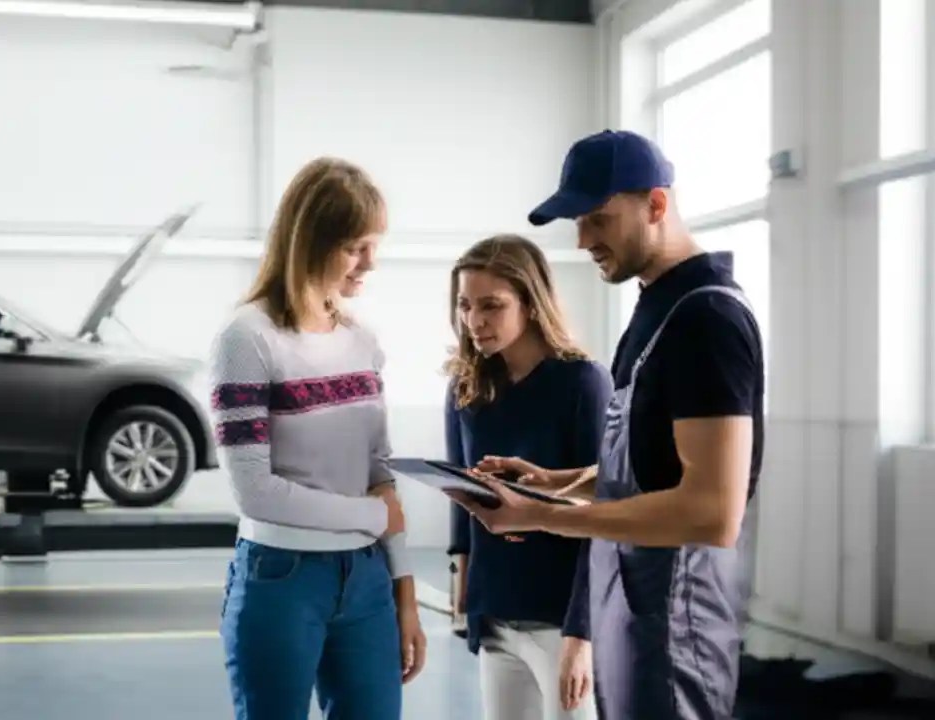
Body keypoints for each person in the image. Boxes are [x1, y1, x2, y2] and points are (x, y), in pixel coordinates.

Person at [450, 129, 765, 720]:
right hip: (633, 608)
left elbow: (713, 512)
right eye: (577, 221)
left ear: (656, 205)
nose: (584, 239)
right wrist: (553, 481)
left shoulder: (708, 319)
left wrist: (539, 515)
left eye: (599, 219)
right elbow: (647, 469)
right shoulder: (655, 311)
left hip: (678, 623)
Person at [209, 156, 426, 720]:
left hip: (368, 583)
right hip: (280, 580)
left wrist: (405, 593)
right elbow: (256, 491)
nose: (371, 263)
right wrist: (374, 519)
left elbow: (381, 474)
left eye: (374, 245)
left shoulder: (363, 342)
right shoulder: (247, 339)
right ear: (311, 241)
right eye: (357, 246)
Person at [444, 235, 612, 720]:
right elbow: (463, 495)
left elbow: (604, 515)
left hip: (561, 621)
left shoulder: (584, 383)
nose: (474, 321)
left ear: (532, 304)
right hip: (496, 614)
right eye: (465, 305)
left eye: (492, 306)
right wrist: (465, 584)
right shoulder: (466, 385)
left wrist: (582, 634)